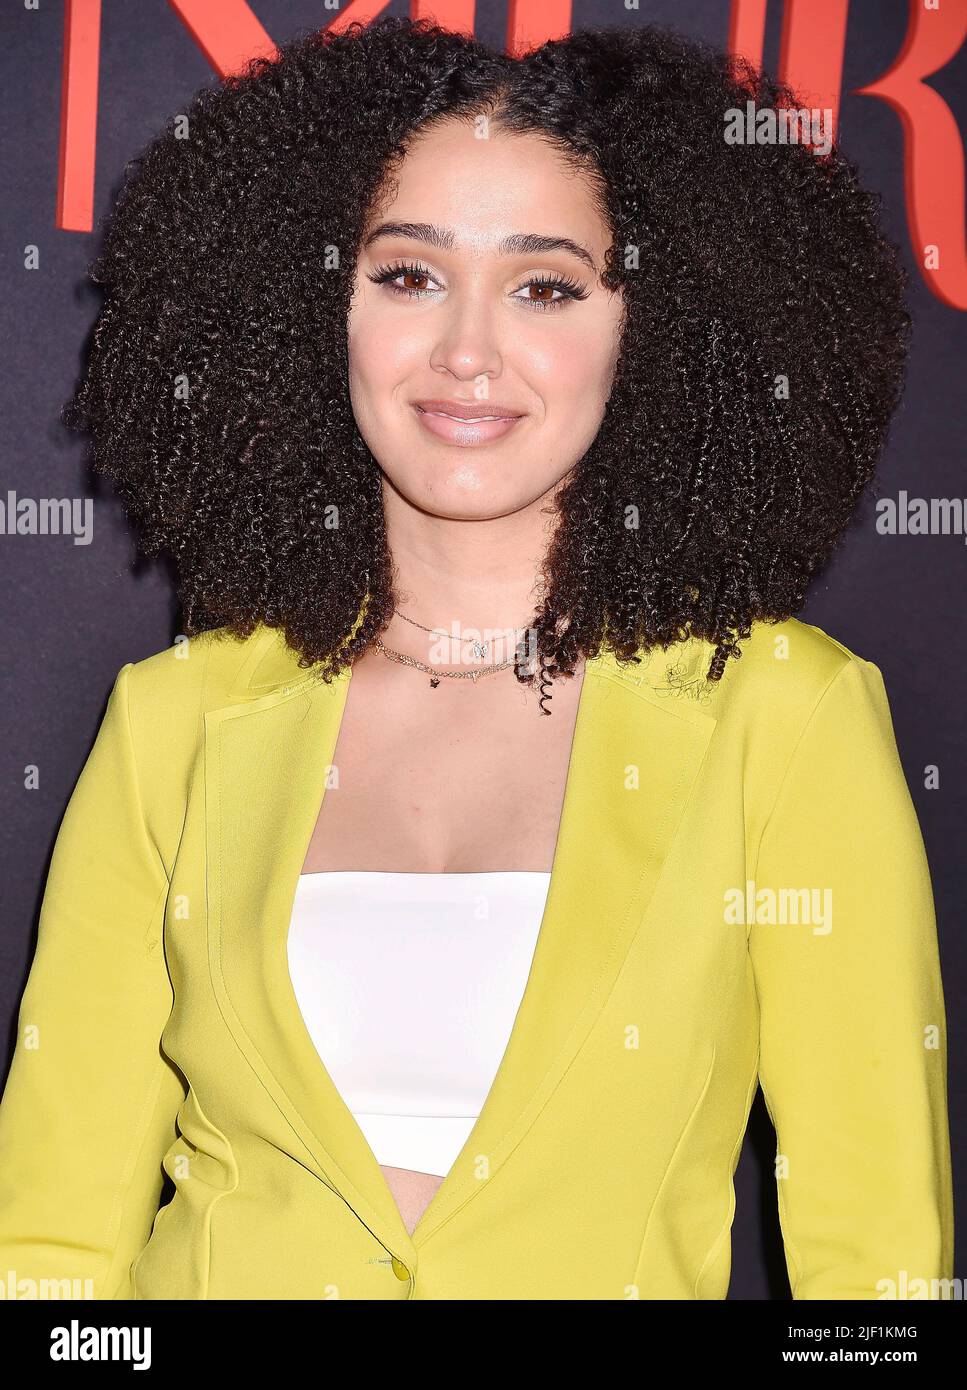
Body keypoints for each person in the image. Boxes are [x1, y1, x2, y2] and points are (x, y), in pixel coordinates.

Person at [0, 16, 952, 1300]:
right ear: (309, 303)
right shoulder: (178, 717)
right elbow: (50, 1261)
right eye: (407, 274)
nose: (465, 350)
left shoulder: (785, 717)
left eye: (546, 285)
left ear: (655, 329)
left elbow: (878, 1275)